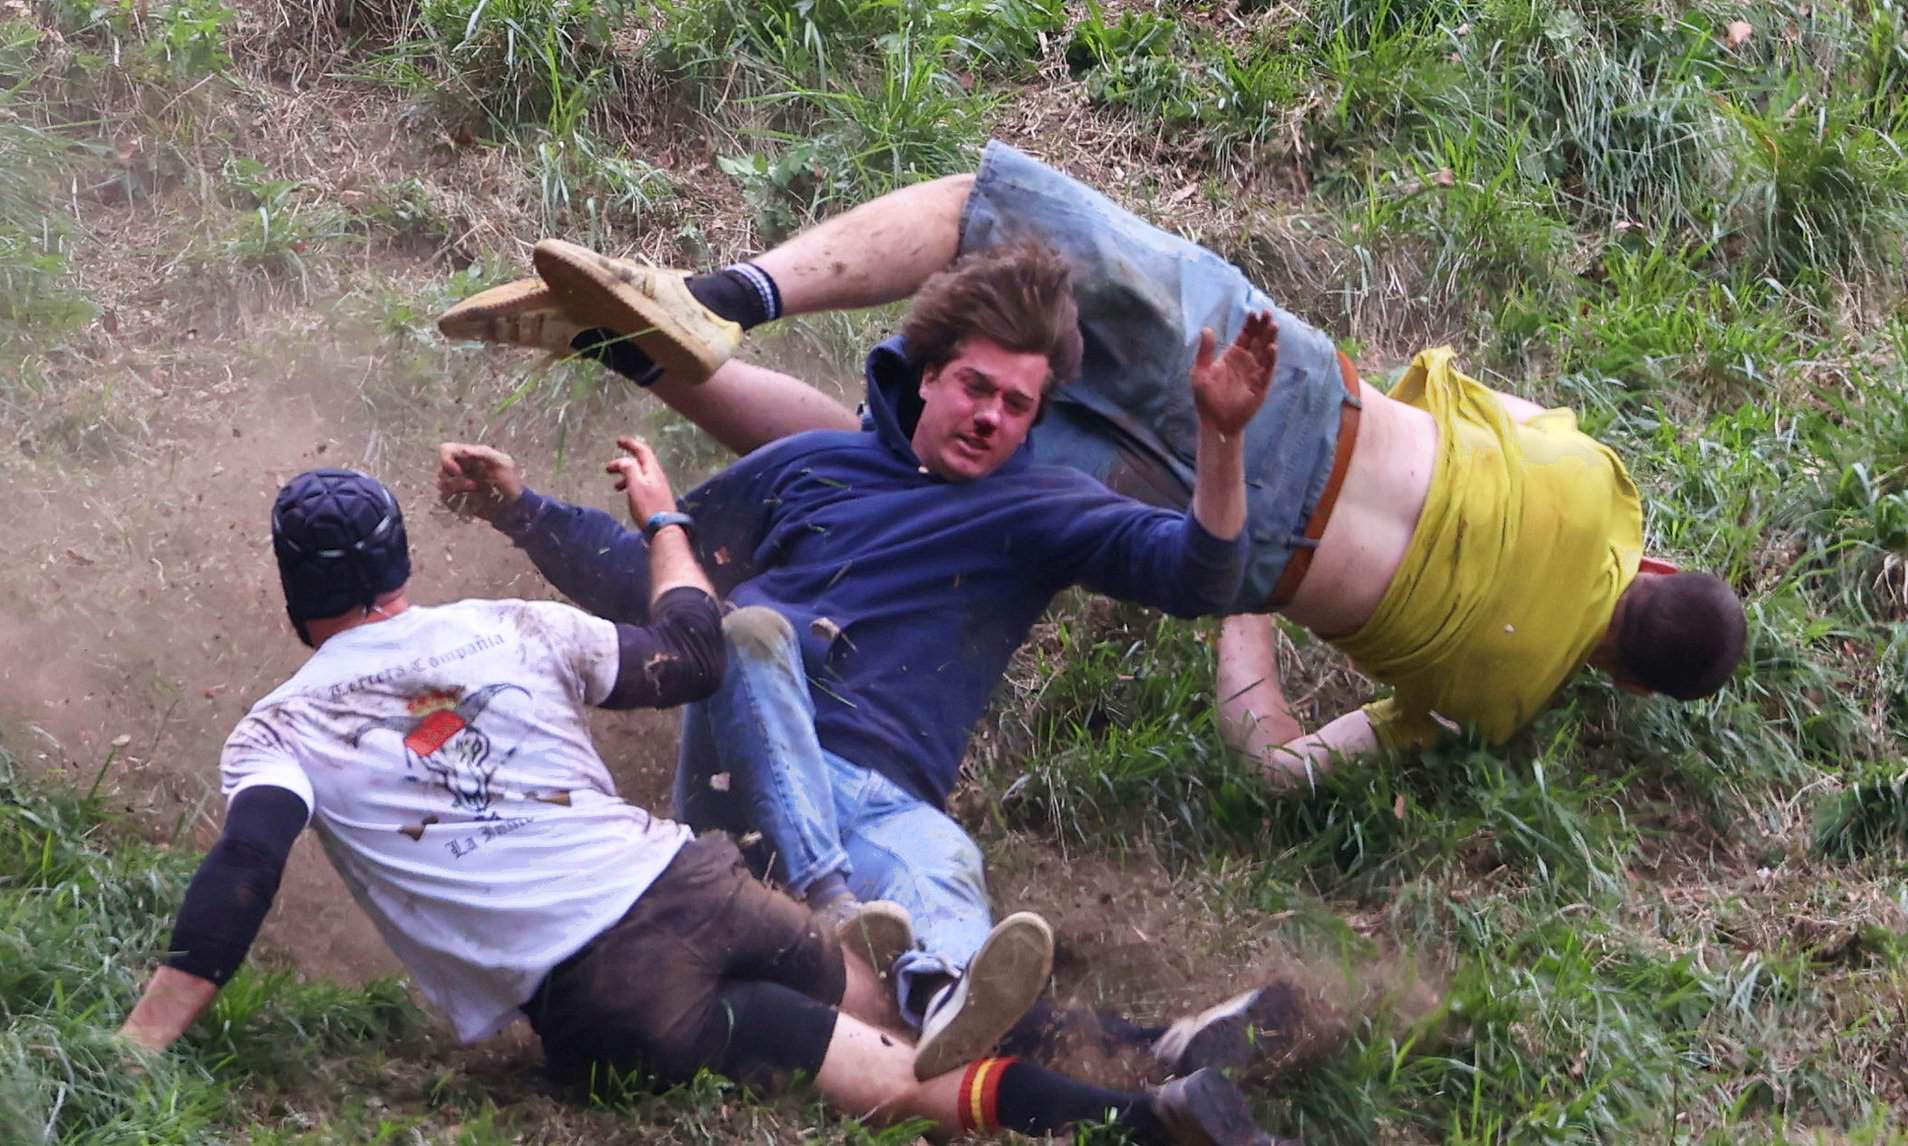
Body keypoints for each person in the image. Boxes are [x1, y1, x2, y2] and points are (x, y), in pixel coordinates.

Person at [438, 140, 1748, 789]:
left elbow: (1446, 385)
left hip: (1300, 387)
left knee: (995, 213)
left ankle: (726, 294)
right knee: (889, 473)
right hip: (1249, 536)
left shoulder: (1602, 486)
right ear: (1629, 679)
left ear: (1659, 566)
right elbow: (1278, 757)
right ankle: (629, 346)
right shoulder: (1494, 707)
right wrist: (1246, 603)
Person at [115, 463, 1288, 1146]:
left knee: (892, 1079)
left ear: (295, 595)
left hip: (610, 987)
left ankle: (1145, 1125)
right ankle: (1155, 1051)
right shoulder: (502, 627)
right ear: (400, 567)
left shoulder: (279, 726)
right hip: (691, 884)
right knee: (899, 1007)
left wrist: (139, 1042)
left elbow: (242, 875)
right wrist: (663, 519)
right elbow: (691, 651)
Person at [435, 238, 1278, 1079]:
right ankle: (832, 906)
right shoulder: (811, 466)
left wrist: (1222, 439)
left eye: (1017, 404)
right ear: (929, 376)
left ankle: (1065, 1031)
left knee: (947, 871)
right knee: (751, 634)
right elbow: (645, 579)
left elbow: (1201, 577)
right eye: (976, 387)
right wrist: (518, 507)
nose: (991, 416)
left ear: (1035, 418)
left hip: (884, 809)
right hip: (742, 784)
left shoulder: (1045, 510)